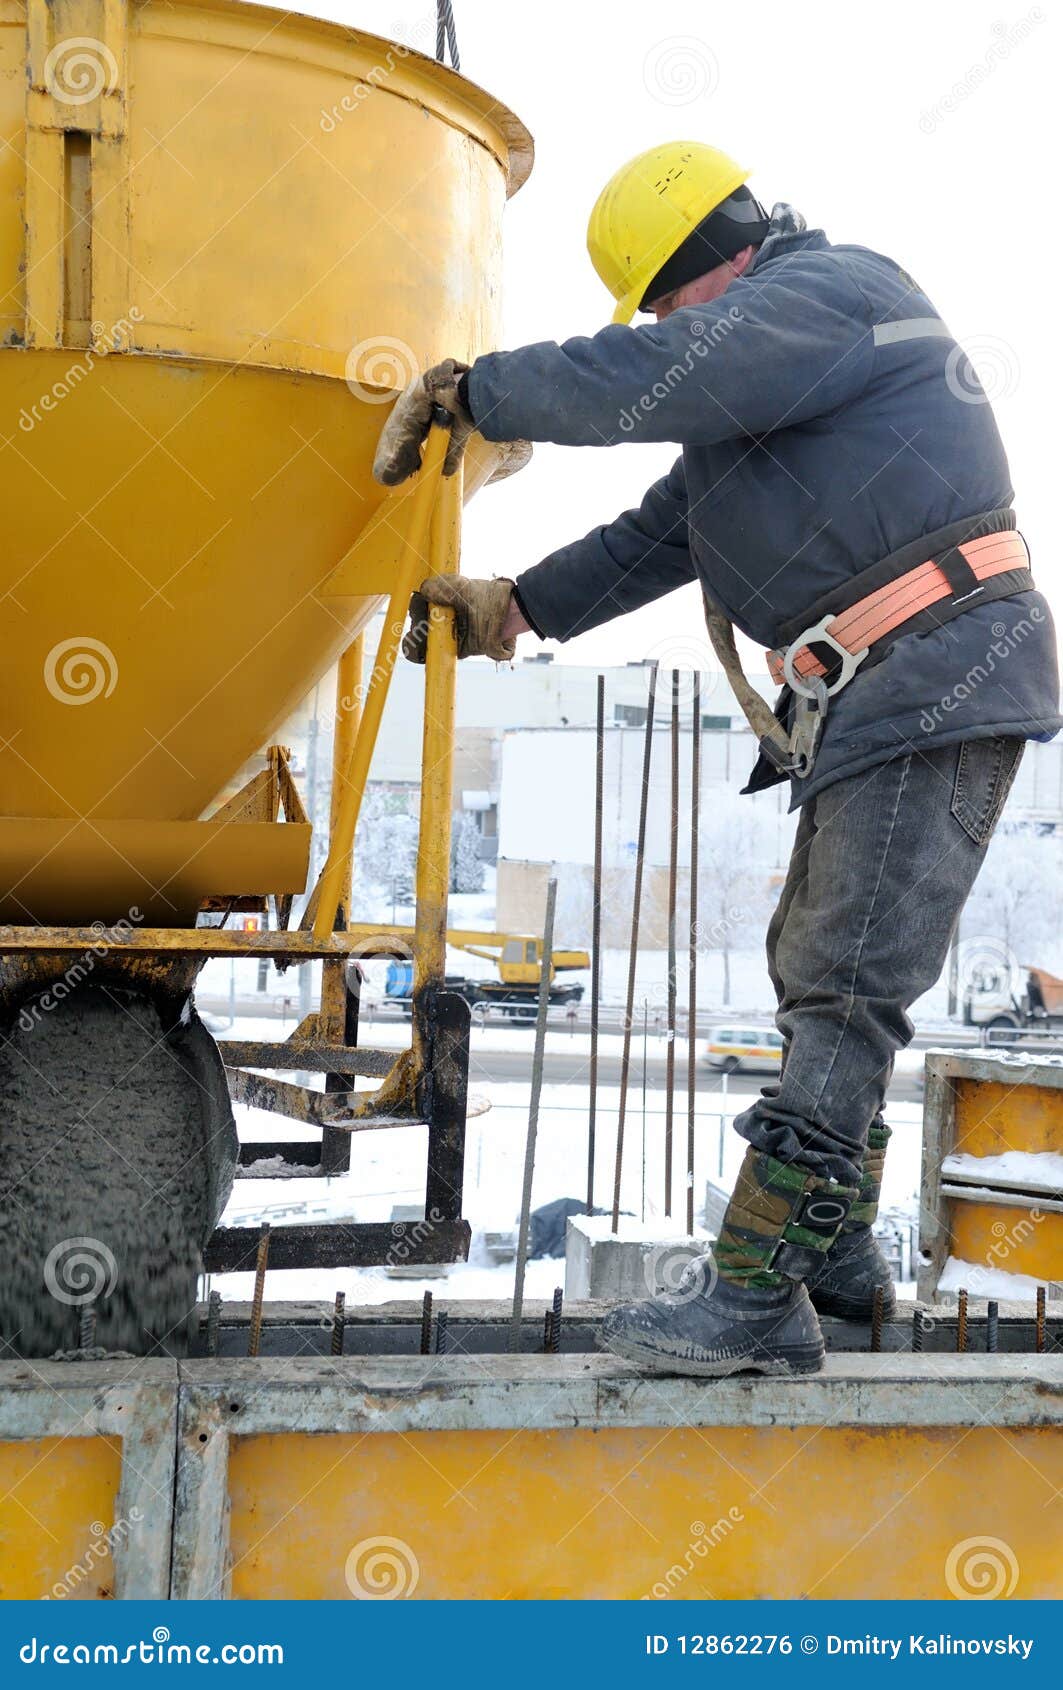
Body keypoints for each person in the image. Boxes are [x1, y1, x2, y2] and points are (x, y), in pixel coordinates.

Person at [373, 141, 1060, 1377]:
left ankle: (751, 1300)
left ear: (716, 261)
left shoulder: (833, 294)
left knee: (847, 984)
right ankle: (841, 1260)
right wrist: (514, 607)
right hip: (881, 697)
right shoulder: (770, 381)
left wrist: (484, 392)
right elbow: (661, 536)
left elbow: (656, 373)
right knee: (815, 967)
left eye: (661, 302)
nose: (658, 326)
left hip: (939, 677)